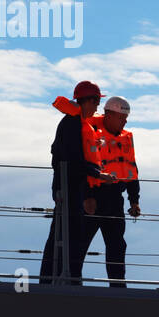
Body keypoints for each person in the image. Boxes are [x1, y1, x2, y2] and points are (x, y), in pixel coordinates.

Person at [39, 81, 107, 284]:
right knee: (65, 234)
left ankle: (59, 277)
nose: (97, 108)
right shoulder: (71, 124)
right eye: (96, 102)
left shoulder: (76, 123)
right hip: (67, 187)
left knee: (66, 233)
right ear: (88, 101)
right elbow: (72, 159)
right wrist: (99, 174)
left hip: (72, 186)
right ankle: (58, 278)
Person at [79, 95, 140, 288]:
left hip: (115, 199)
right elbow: (83, 167)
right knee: (80, 243)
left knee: (117, 245)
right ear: (109, 114)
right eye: (122, 116)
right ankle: (71, 283)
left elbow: (131, 169)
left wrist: (134, 201)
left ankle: (118, 287)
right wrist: (88, 196)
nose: (125, 120)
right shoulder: (91, 131)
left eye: (126, 117)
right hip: (93, 198)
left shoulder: (126, 138)